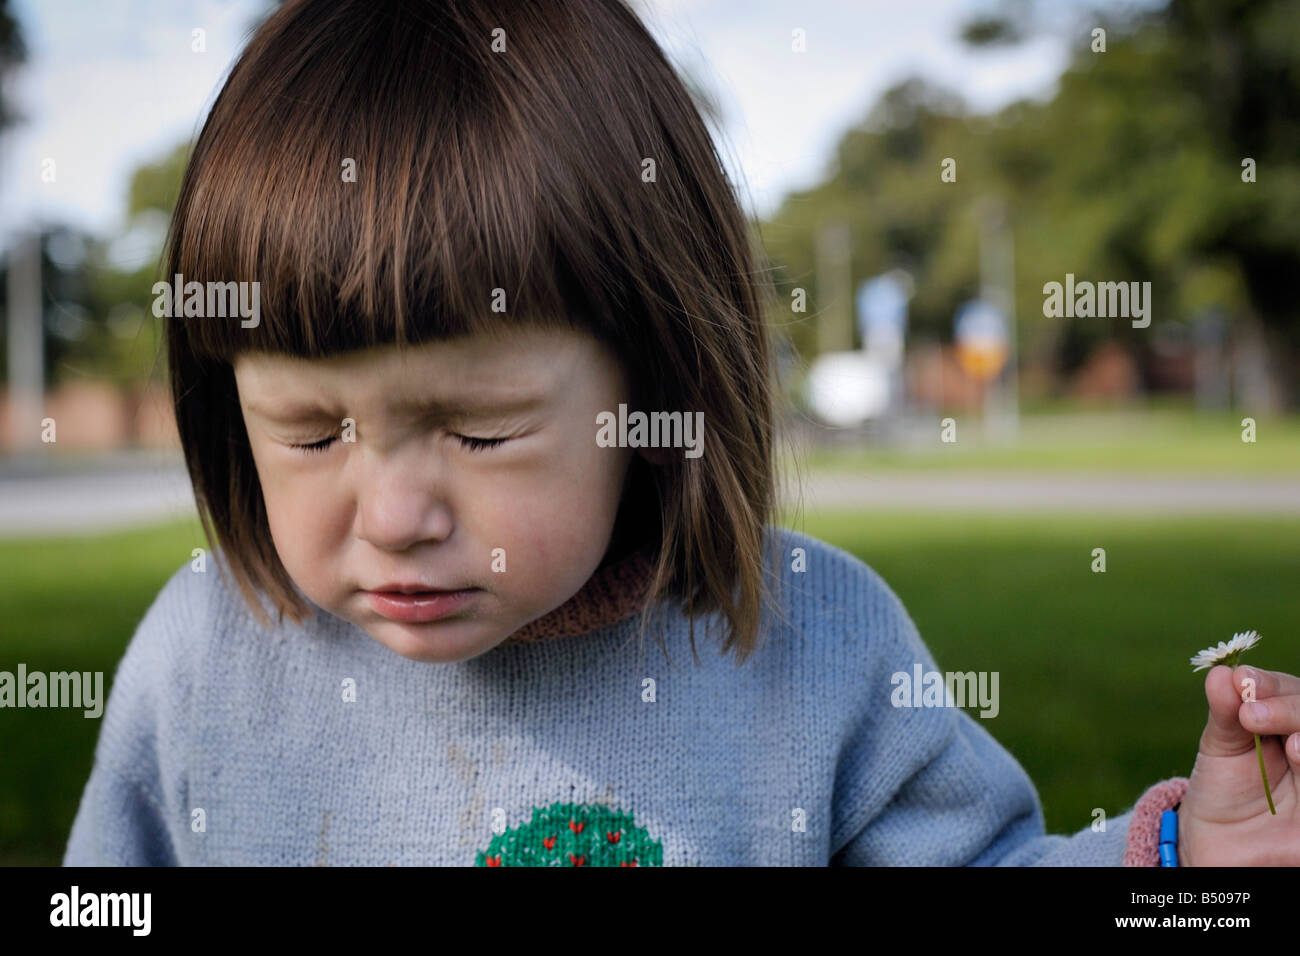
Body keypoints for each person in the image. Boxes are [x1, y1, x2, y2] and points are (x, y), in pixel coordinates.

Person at [65, 0, 1298, 866]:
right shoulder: (203, 660)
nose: (393, 513)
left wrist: (1196, 853)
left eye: (483, 433)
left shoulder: (815, 644)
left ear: (653, 395)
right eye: (312, 431)